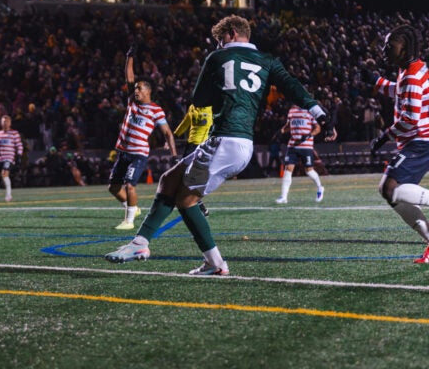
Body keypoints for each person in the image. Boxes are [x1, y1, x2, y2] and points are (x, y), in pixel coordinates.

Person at [105, 14, 333, 275]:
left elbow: (199, 99)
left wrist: (219, 90)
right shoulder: (269, 61)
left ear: (233, 33)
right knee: (169, 180)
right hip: (237, 142)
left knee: (187, 200)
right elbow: (293, 86)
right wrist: (320, 114)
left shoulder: (217, 58)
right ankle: (141, 243)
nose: (218, 44)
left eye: (220, 39)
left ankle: (214, 263)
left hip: (225, 140)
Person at [368, 24, 429, 264]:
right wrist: (376, 81)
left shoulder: (413, 74)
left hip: (420, 141)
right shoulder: (411, 70)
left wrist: (384, 136)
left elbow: (410, 119)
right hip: (417, 141)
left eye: (389, 46)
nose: (384, 49)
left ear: (404, 50)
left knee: (390, 188)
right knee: (390, 191)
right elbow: (400, 90)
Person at [109, 45, 176, 231]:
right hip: (123, 152)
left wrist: (173, 153)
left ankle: (129, 221)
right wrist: (129, 56)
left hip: (138, 154)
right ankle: (134, 208)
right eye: (135, 88)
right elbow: (129, 77)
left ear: (148, 91)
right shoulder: (132, 101)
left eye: (139, 88)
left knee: (130, 185)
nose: (135, 90)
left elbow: (167, 133)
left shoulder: (155, 110)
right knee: (113, 188)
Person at [275, 104, 325, 203]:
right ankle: (284, 197)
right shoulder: (291, 111)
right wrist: (281, 131)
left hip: (306, 146)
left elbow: (317, 128)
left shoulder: (310, 111)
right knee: (288, 169)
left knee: (309, 171)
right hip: (292, 145)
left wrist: (308, 135)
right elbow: (289, 125)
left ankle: (320, 187)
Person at [173, 103, 213, 216]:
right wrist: (175, 134)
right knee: (185, 177)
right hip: (190, 147)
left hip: (204, 147)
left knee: (195, 179)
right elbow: (186, 122)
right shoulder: (192, 107)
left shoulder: (211, 107)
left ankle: (198, 206)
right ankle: (198, 206)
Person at [0, 114, 23, 203]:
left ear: (10, 123)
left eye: (6, 122)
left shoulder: (14, 133)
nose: (4, 123)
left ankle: (9, 195)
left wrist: (19, 155)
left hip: (8, 157)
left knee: (4, 174)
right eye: (3, 122)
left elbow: (19, 145)